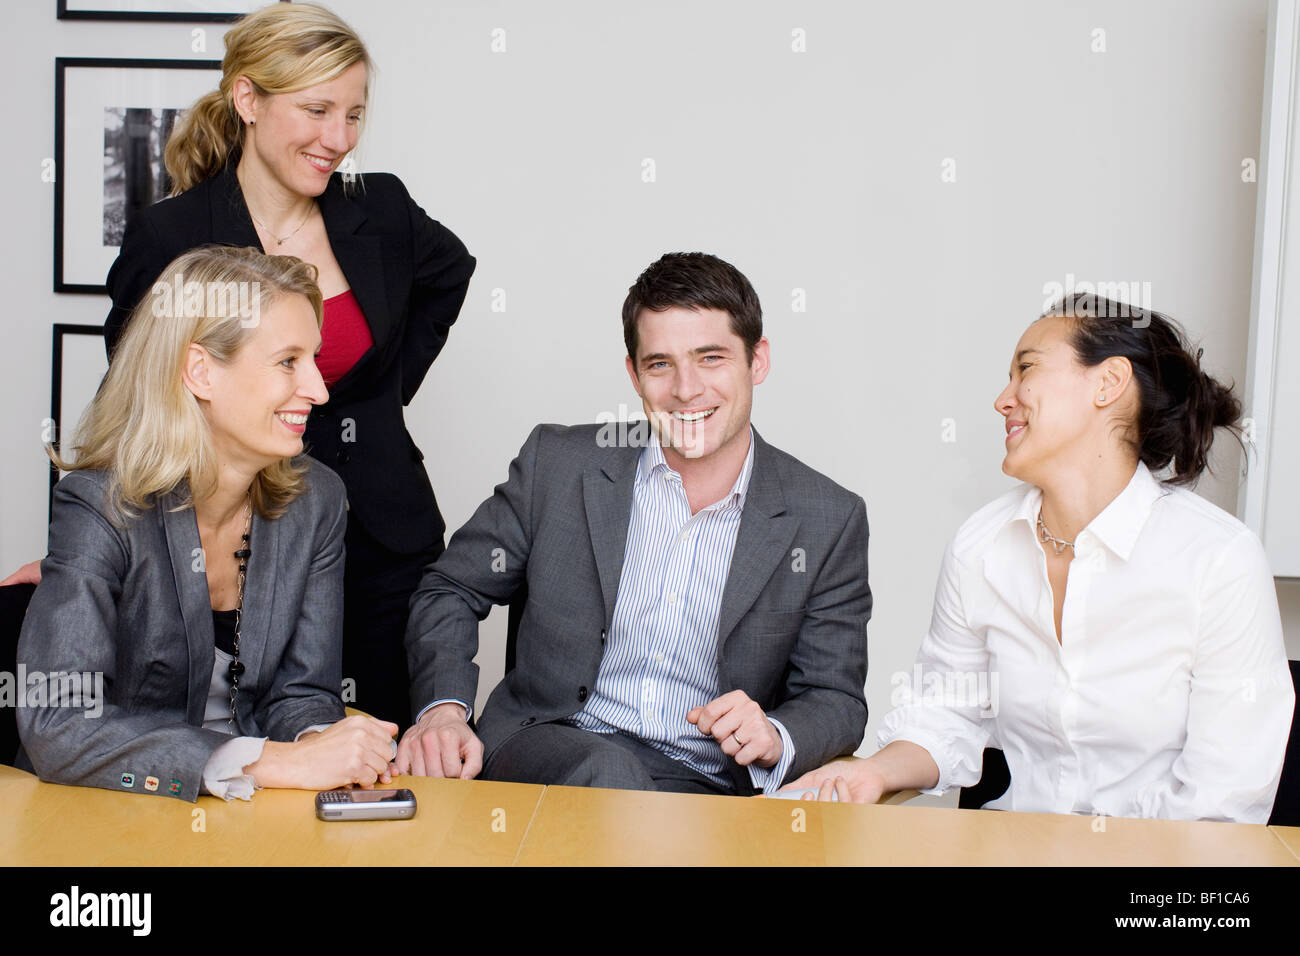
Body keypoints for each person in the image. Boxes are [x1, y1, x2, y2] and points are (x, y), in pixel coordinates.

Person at [96, 2, 476, 728]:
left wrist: (374, 394)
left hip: (380, 540)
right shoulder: (170, 235)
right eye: (317, 109)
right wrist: (79, 561)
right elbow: (133, 397)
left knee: (377, 759)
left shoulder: (382, 207)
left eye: (355, 114)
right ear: (248, 99)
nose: (339, 139)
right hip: (230, 550)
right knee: (243, 752)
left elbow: (448, 274)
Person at [783, 294, 1295, 822]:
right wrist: (873, 772)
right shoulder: (980, 544)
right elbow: (942, 716)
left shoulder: (1218, 559)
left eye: (1025, 369)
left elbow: (1220, 804)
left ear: (1108, 383)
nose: (1003, 400)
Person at [393, 252, 871, 795]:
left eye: (710, 358)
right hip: (551, 745)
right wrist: (443, 711)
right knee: (611, 774)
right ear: (634, 375)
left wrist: (777, 734)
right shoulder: (560, 464)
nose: (687, 390)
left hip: (701, 782)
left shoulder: (827, 518)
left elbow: (835, 698)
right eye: (660, 364)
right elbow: (450, 587)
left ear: (757, 361)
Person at [17, 246, 398, 800]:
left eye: (314, 359)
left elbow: (304, 692)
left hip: (253, 817)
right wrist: (263, 762)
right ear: (201, 371)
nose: (319, 390)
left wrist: (324, 744)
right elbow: (59, 725)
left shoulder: (316, 500)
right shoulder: (100, 506)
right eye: (289, 361)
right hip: (115, 814)